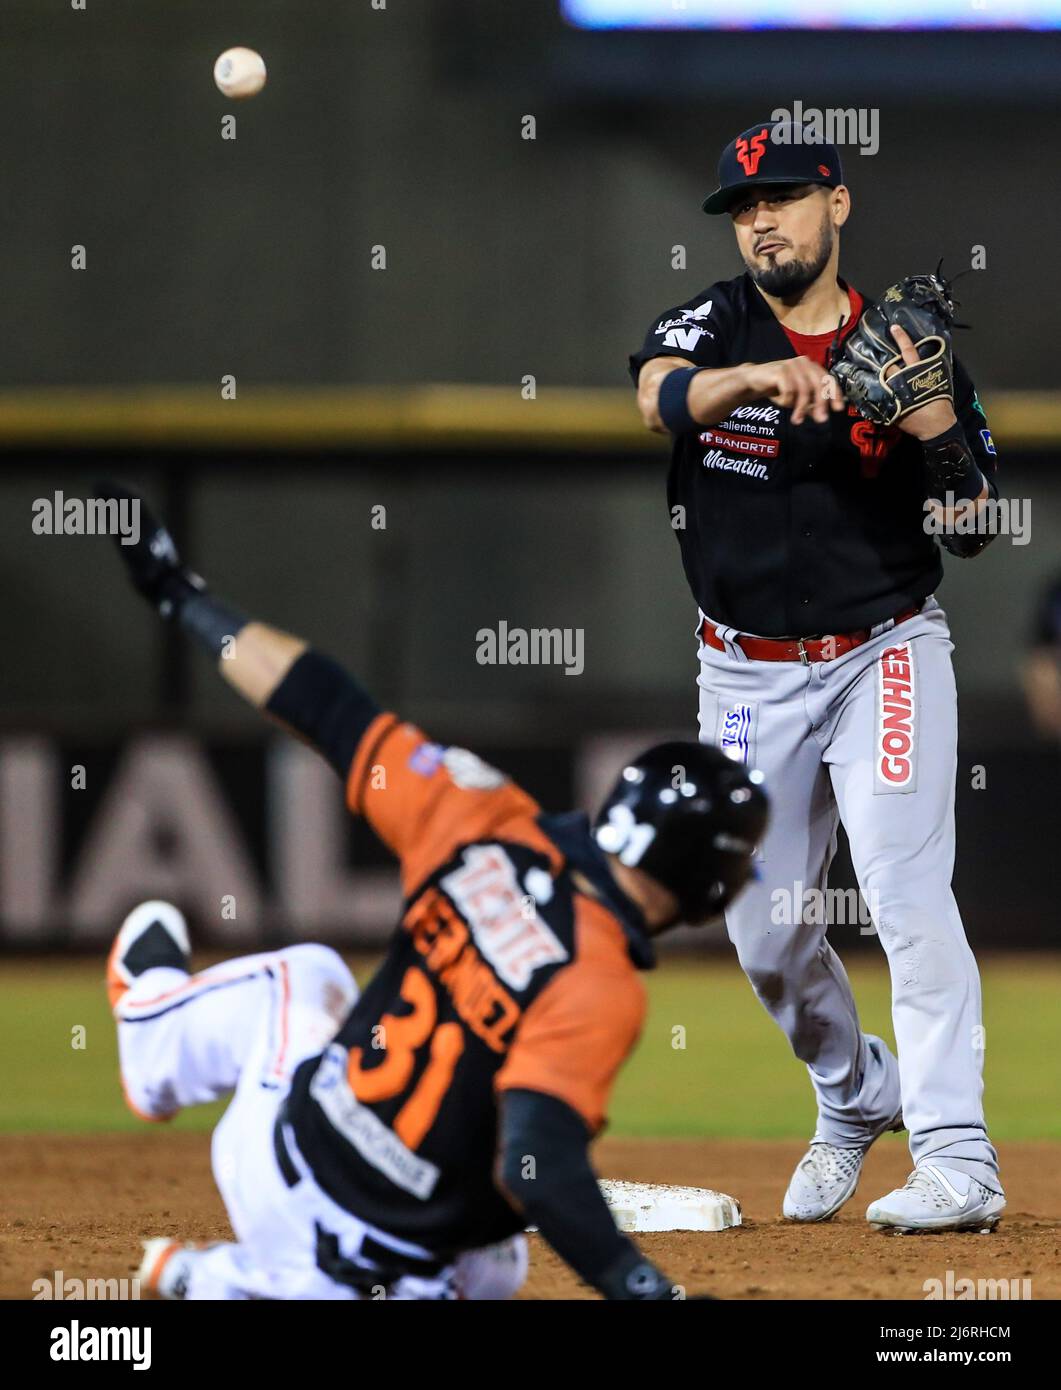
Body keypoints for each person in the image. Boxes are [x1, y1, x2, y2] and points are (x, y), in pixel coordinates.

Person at [100, 483, 768, 1300]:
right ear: (707, 889)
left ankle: (158, 1047)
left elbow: (327, 707)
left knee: (303, 975)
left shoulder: (478, 818)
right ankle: (243, 1284)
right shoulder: (597, 987)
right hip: (395, 1267)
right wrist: (642, 1287)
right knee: (498, 1253)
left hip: (272, 1158)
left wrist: (181, 599)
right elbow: (538, 1167)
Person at [628, 119, 1005, 1233]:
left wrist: (933, 421)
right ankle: (854, 1097)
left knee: (901, 891)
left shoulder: (904, 341)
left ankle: (954, 1157)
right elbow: (654, 393)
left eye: (783, 197)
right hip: (743, 676)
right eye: (742, 205)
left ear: (835, 206)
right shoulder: (709, 324)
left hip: (882, 649)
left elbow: (975, 523)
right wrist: (745, 377)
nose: (760, 219)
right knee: (762, 931)